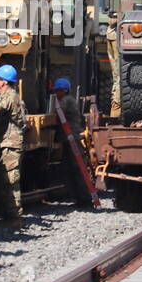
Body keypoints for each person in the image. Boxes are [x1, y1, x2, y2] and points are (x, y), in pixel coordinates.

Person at [0, 63, 26, 223]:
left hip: (11, 146)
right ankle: (8, 216)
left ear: (5, 82)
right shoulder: (6, 96)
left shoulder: (10, 96)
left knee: (11, 182)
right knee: (4, 181)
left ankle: (15, 219)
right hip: (6, 145)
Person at [52, 77, 91, 207]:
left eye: (58, 91)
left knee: (77, 168)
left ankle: (85, 198)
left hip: (72, 139)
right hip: (69, 140)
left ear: (64, 91)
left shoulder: (66, 101)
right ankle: (79, 197)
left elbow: (58, 115)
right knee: (69, 168)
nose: (56, 94)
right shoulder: (68, 100)